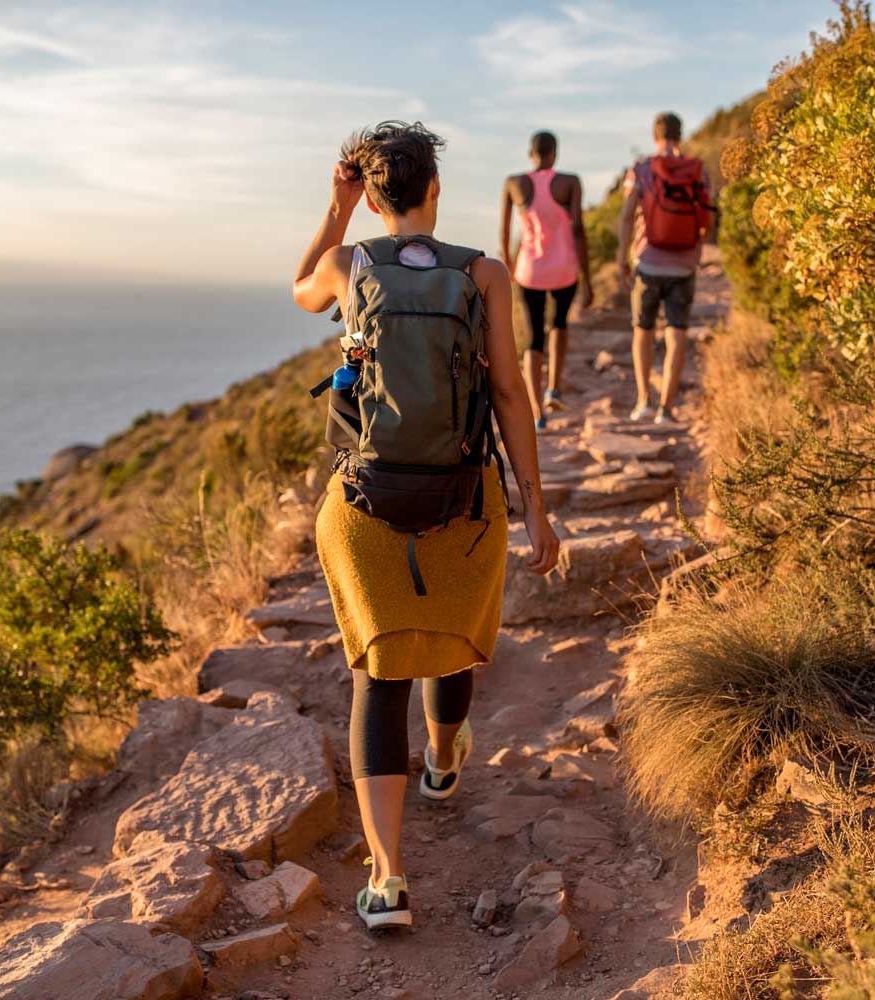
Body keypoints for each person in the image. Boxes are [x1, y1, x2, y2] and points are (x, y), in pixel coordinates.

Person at [291, 121, 561, 931]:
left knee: (379, 677)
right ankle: (443, 761)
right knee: (449, 633)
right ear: (436, 190)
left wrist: (337, 212)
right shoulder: (485, 274)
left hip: (366, 504)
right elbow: (510, 395)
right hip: (464, 499)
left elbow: (301, 286)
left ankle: (389, 881)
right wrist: (536, 509)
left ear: (374, 196)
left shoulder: (349, 265)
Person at [618, 111, 713, 423]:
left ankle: (643, 400)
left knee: (642, 331)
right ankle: (667, 409)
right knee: (677, 334)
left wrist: (622, 258)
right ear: (680, 134)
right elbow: (707, 219)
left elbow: (626, 214)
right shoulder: (696, 170)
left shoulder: (642, 169)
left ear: (654, 134)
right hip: (684, 265)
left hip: (647, 262)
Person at [500, 130, 593, 430]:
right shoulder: (570, 182)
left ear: (531, 153)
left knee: (533, 336)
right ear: (555, 153)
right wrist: (588, 277)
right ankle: (553, 387)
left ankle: (537, 412)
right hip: (565, 267)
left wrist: (509, 264)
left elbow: (504, 232)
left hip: (529, 270)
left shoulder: (514, 183)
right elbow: (578, 228)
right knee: (560, 324)